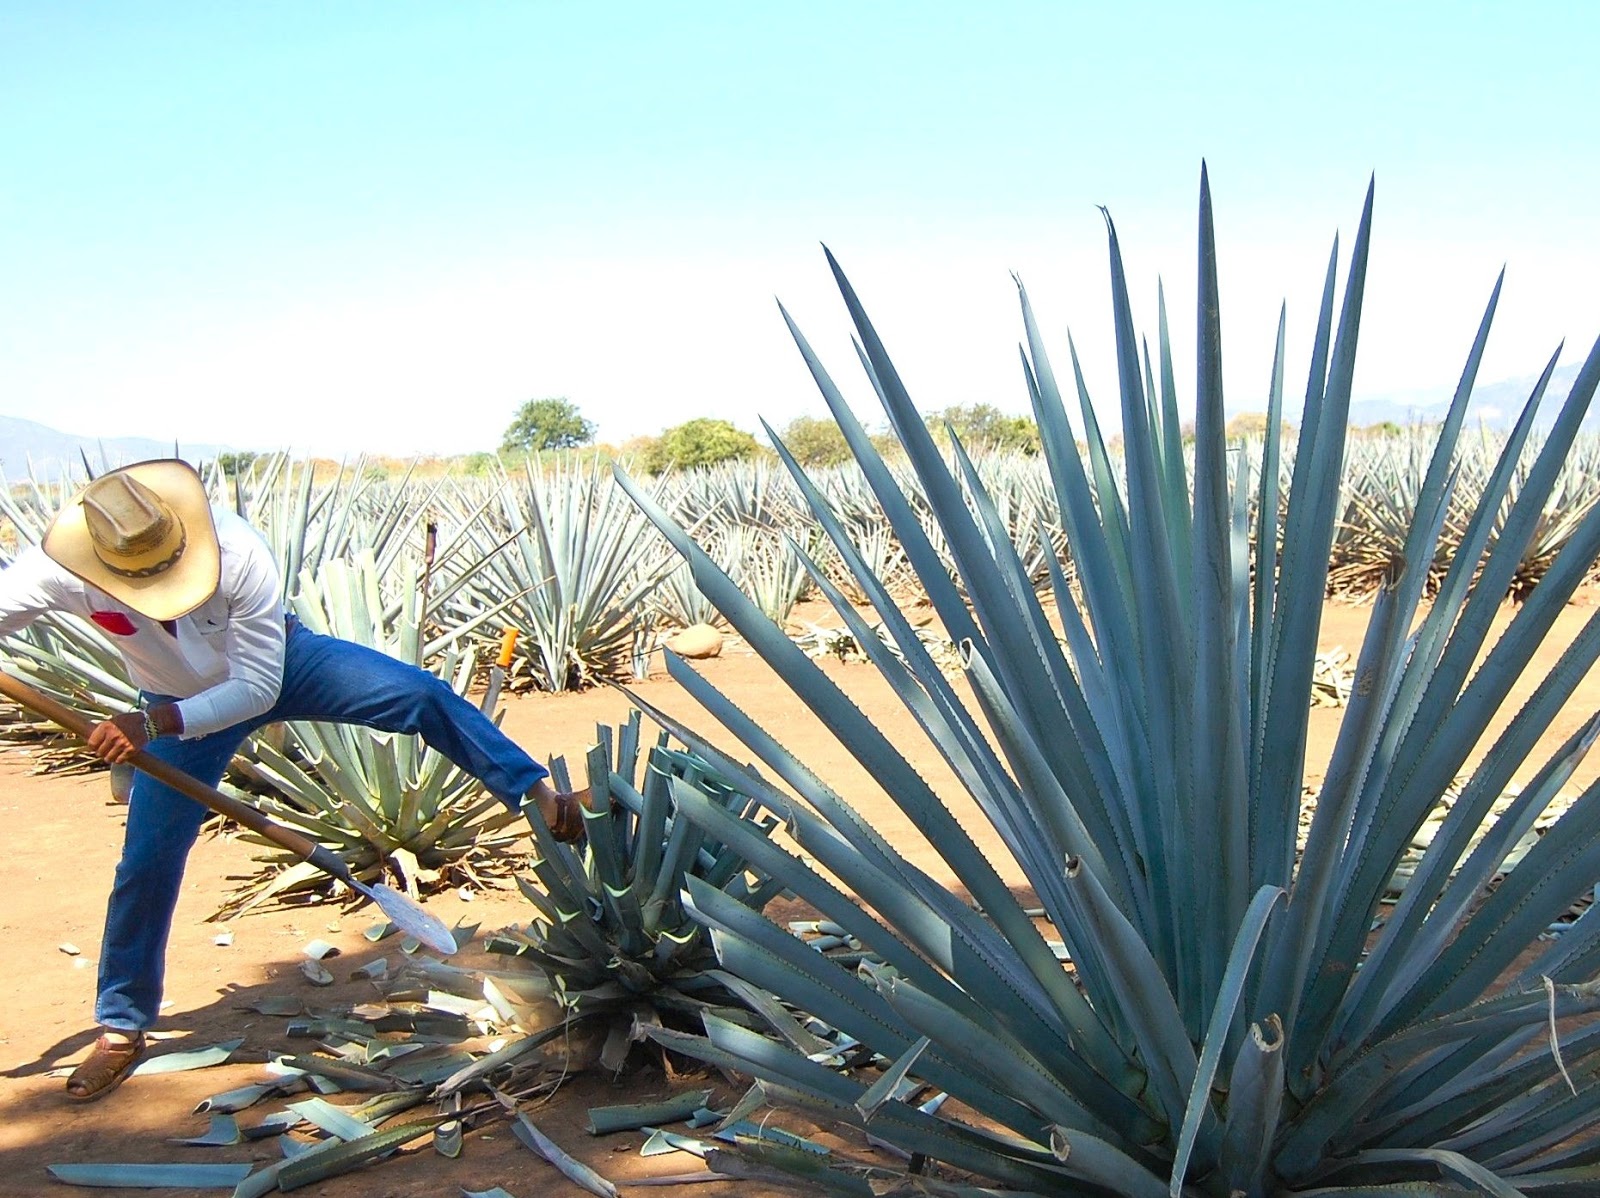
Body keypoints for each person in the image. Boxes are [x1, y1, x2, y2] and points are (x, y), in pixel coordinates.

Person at [0, 459, 592, 1102]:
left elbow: (256, 689)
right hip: (173, 707)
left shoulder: (236, 551)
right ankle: (122, 1026)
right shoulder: (60, 569)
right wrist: (163, 718)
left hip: (278, 667)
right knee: (147, 861)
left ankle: (539, 796)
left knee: (421, 696)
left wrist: (152, 723)